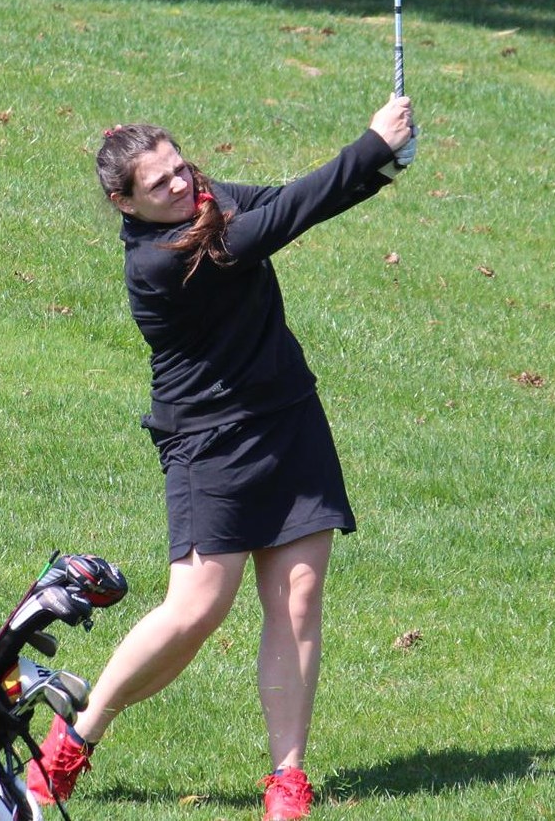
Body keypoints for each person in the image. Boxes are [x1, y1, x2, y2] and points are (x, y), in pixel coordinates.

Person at [25, 94, 416, 821]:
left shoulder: (207, 201)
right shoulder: (158, 260)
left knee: (298, 600)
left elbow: (293, 201)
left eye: (180, 166)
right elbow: (276, 222)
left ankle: (287, 778)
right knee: (197, 608)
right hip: (209, 441)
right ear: (125, 202)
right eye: (160, 183)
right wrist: (369, 146)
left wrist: (382, 168)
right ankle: (77, 735)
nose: (181, 183)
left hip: (287, 419)